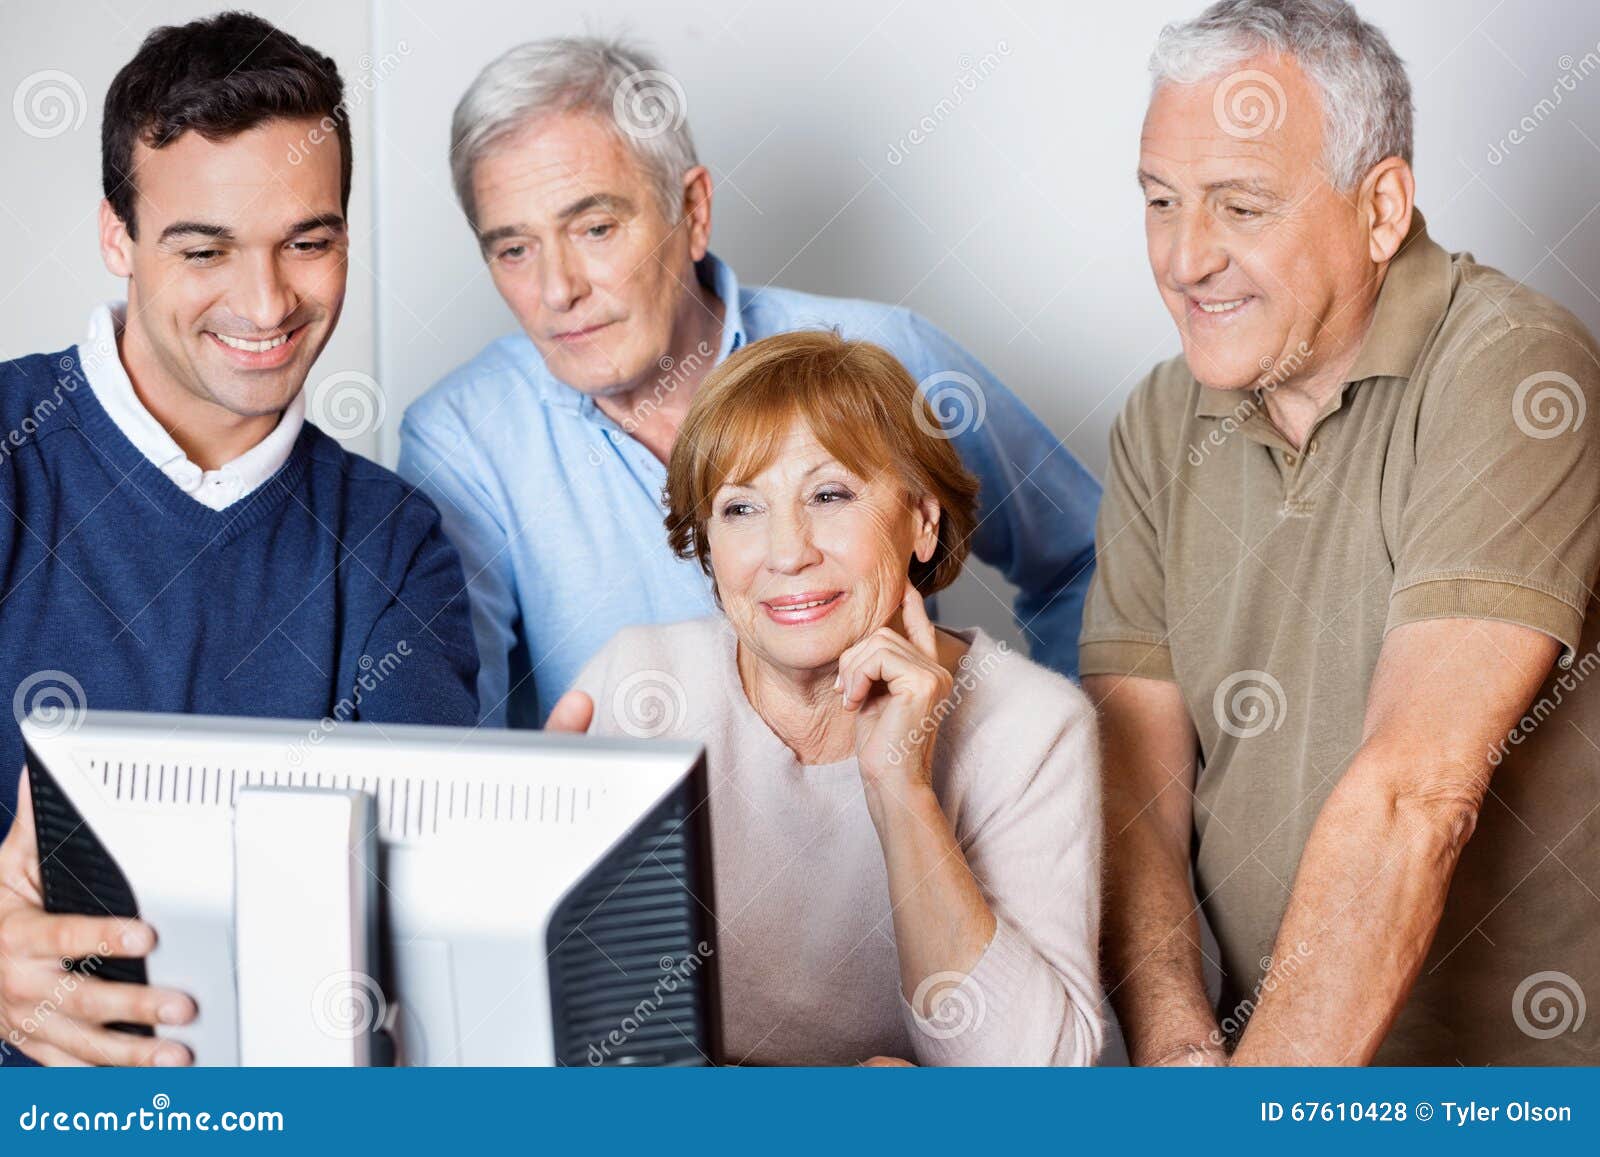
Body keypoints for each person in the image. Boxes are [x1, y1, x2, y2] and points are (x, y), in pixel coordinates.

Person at [1087, 0, 1600, 1065]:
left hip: (1504, 1088)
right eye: (1160, 200)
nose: (1185, 257)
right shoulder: (1155, 418)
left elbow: (1416, 791)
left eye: (1239, 205)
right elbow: (1136, 791)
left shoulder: (1515, 370)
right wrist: (1181, 1045)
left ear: (1380, 209)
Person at [0, 13, 480, 1068]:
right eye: (205, 249)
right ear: (117, 236)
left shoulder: (394, 545)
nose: (266, 304)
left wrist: (512, 865)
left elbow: (415, 935)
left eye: (307, 243)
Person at [398, 36, 1102, 729]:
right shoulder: (464, 437)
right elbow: (459, 734)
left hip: (898, 827)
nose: (556, 290)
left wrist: (1066, 773)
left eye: (596, 228)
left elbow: (1091, 554)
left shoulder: (888, 354)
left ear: (694, 212)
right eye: (514, 249)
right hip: (635, 844)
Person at [558, 331, 1102, 1066]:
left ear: (921, 521)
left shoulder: (1034, 726)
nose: (787, 552)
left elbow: (1034, 1086)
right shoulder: (638, 684)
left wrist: (899, 786)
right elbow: (575, 1043)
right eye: (741, 508)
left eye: (829, 494)